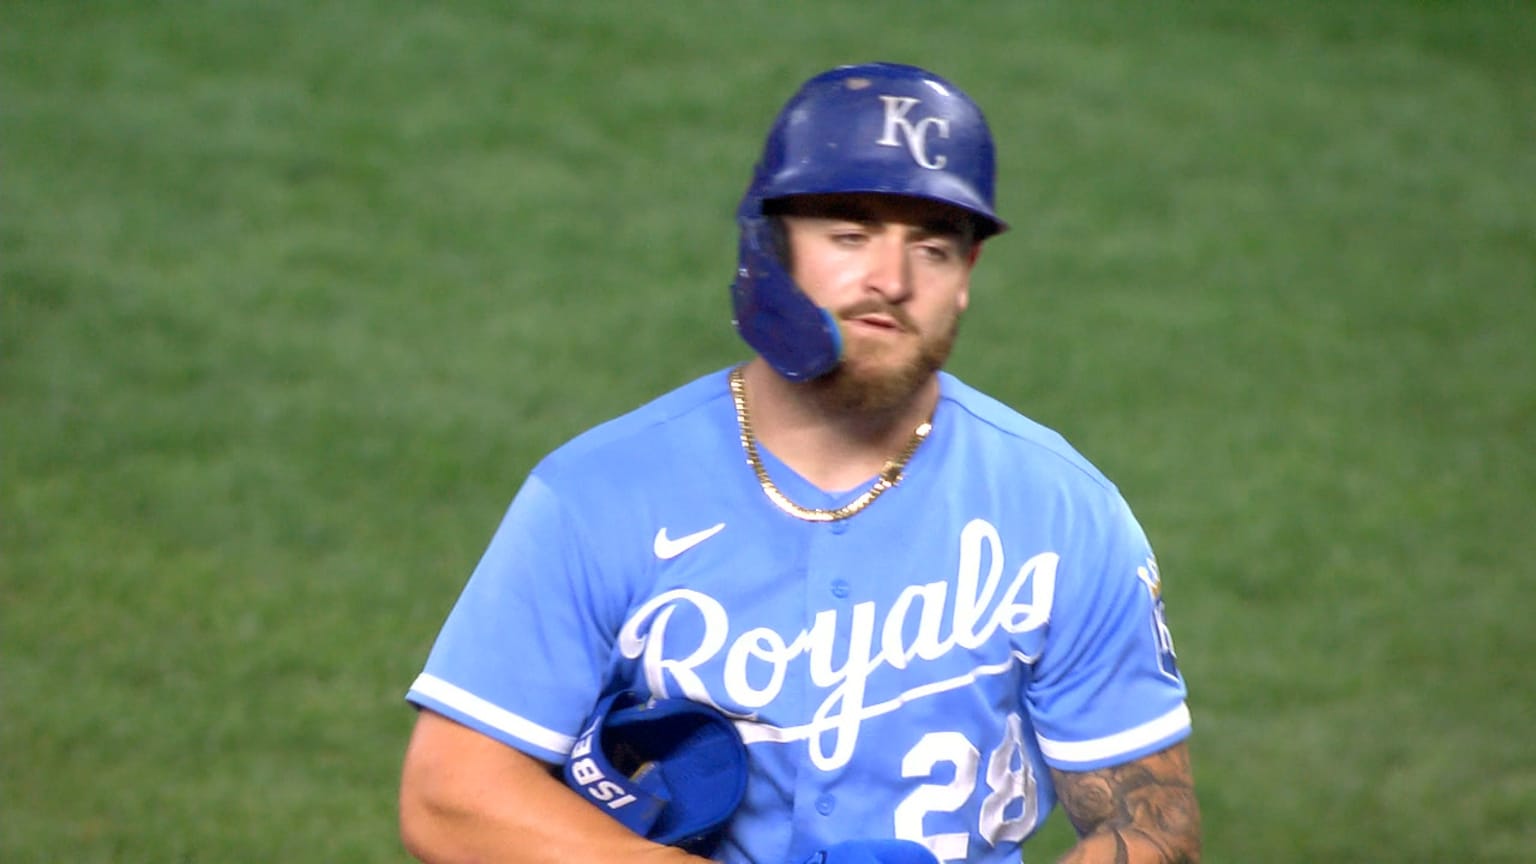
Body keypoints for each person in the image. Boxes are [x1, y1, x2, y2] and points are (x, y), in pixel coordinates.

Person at [398, 62, 1201, 864]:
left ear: (966, 279)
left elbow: (1151, 825)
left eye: (932, 248)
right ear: (773, 246)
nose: (891, 280)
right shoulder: (598, 496)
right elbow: (451, 799)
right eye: (849, 236)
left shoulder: (1064, 514)